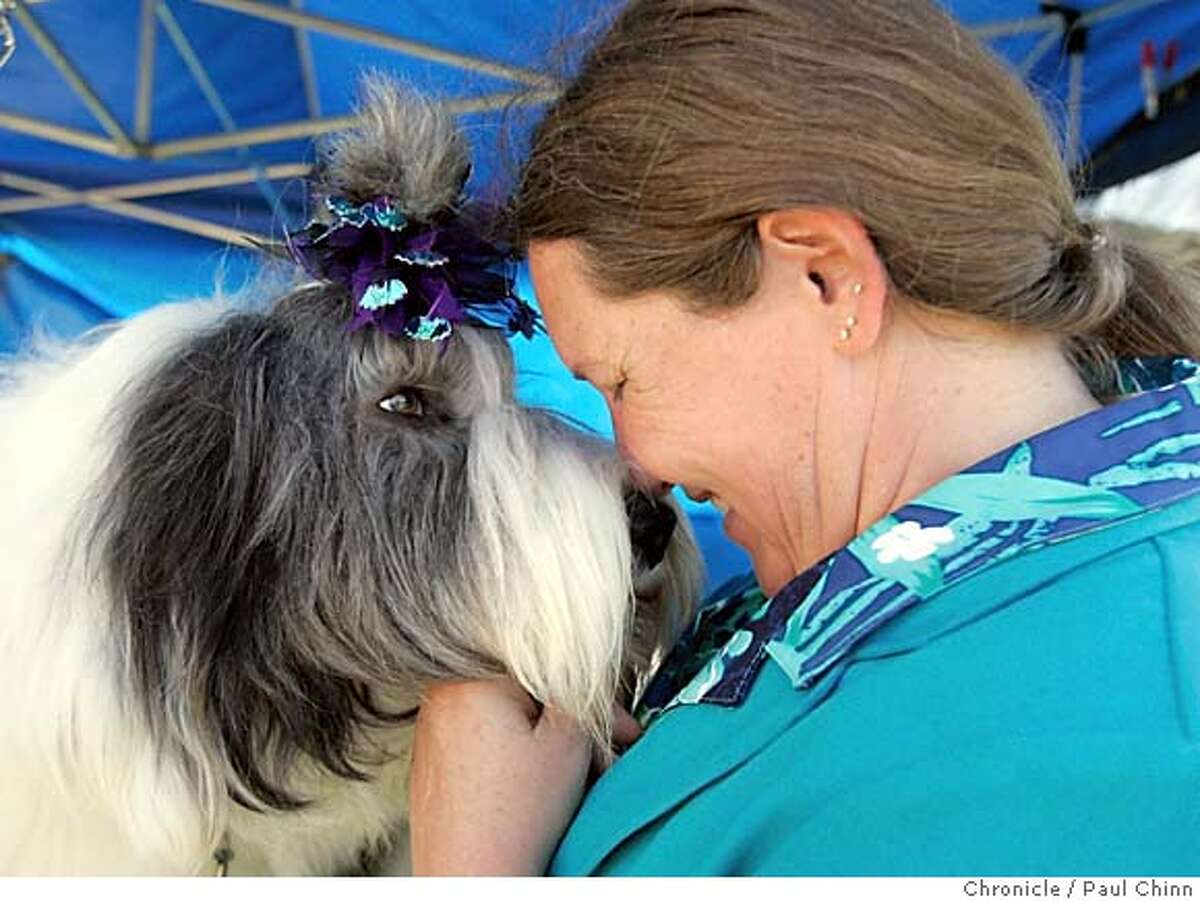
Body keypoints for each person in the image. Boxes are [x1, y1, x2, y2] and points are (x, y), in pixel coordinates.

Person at [408, 0, 1200, 876]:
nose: (638, 466)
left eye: (624, 381)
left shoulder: (1127, 742)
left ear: (825, 275)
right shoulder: (922, 600)